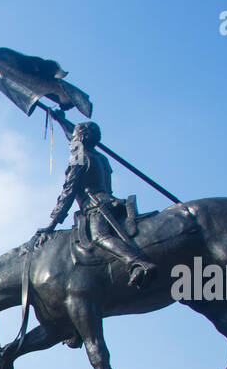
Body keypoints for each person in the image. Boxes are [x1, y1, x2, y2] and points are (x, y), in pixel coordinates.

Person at [32, 120, 154, 289]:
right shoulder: (101, 157)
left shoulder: (80, 158)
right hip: (113, 201)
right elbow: (75, 142)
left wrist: (52, 223)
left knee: (100, 236)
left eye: (76, 136)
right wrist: (61, 121)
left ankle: (136, 262)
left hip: (96, 206)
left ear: (83, 137)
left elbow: (68, 192)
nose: (73, 139)